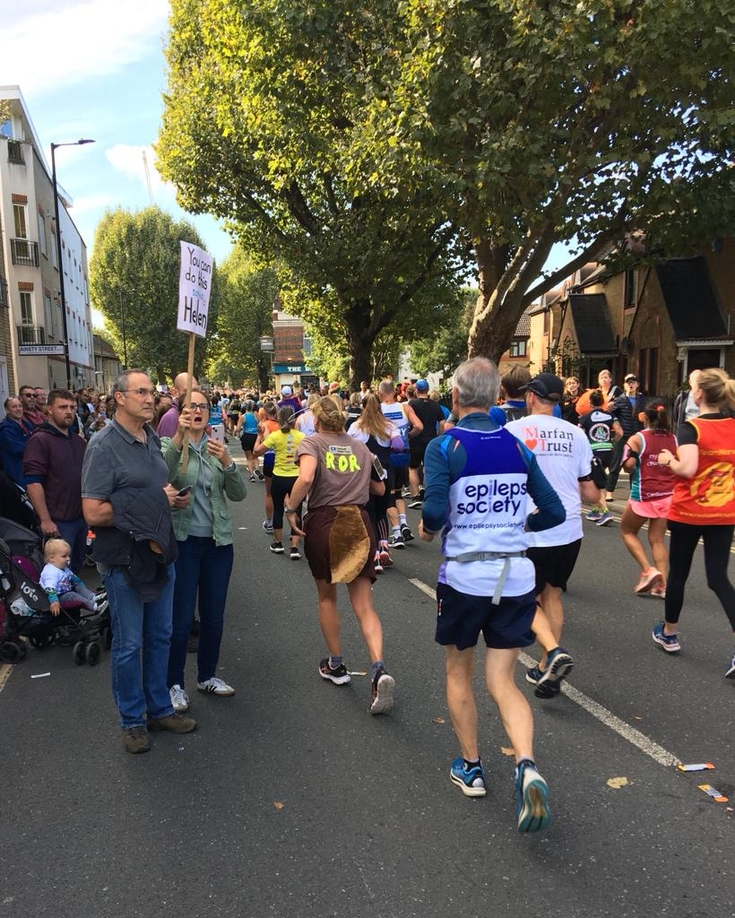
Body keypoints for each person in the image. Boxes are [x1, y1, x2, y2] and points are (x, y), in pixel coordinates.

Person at [419, 358, 565, 832]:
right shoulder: (518, 446)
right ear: (499, 396)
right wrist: (519, 525)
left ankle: (472, 767)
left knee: (458, 671)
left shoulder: (446, 446)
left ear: (456, 398)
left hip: (465, 579)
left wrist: (428, 525)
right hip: (516, 577)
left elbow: (437, 512)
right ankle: (526, 764)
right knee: (504, 681)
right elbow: (556, 510)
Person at [82, 369, 196, 754]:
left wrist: (171, 499)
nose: (150, 398)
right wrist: (152, 503)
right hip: (122, 559)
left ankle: (160, 708)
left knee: (160, 636)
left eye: (152, 392)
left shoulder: (150, 438)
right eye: (141, 392)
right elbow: (94, 512)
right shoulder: (102, 445)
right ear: (119, 398)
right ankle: (132, 721)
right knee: (129, 644)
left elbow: (153, 492)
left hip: (159, 553)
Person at [287, 396, 396, 714]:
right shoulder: (362, 448)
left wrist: (291, 508)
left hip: (325, 521)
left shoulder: (312, 444)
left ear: (316, 420)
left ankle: (336, 664)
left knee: (327, 597)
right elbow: (380, 489)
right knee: (364, 604)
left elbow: (306, 477)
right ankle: (378, 666)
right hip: (359, 523)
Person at [506, 372, 601, 697]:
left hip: (530, 528)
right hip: (569, 529)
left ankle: (553, 652)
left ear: (531, 396)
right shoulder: (577, 434)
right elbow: (591, 494)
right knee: (553, 594)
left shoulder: (513, 431)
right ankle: (547, 663)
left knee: (521, 597)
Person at [161, 389, 246, 713]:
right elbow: (164, 474)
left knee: (213, 617)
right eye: (190, 406)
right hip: (183, 542)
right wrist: (181, 436)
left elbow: (238, 494)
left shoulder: (216, 448)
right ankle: (174, 684)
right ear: (180, 412)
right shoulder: (169, 445)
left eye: (202, 406)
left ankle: (207, 675)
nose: (196, 410)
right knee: (180, 619)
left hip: (218, 542)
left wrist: (227, 462)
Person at [653, 368, 735, 678]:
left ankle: (669, 632)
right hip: (725, 512)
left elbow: (687, 468)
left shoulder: (691, 429)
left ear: (698, 395)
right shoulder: (733, 425)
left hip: (690, 512)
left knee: (679, 574)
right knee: (718, 578)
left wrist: (667, 460)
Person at [23, 389, 88, 573]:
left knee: (75, 571)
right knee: (57, 577)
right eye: (62, 407)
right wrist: (45, 520)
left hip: (80, 519)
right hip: (58, 523)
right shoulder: (40, 440)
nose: (68, 411)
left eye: (72, 407)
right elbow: (33, 482)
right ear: (49, 409)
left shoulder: (78, 441)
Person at [620, 401, 677, 597]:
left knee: (627, 531)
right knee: (658, 540)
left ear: (643, 416)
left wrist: (632, 457)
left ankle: (648, 569)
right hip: (667, 495)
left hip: (643, 495)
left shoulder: (638, 438)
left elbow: (627, 465)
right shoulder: (674, 439)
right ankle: (663, 586)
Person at [349, 393, 405, 573]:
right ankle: (384, 547)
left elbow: (349, 448)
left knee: (368, 512)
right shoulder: (389, 425)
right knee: (382, 510)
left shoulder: (356, 427)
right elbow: (399, 446)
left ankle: (373, 555)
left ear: (363, 407)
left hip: (364, 474)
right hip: (385, 474)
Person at [253, 406, 305, 557]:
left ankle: (278, 543)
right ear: (294, 420)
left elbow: (257, 451)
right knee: (297, 509)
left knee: (278, 509)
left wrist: (259, 436)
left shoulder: (275, 436)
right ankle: (294, 547)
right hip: (296, 478)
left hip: (279, 476)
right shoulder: (301, 436)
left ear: (279, 419)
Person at [378, 379, 423, 548]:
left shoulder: (378, 410)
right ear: (395, 392)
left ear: (380, 393)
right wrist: (407, 436)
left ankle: (397, 534)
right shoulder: (405, 407)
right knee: (398, 493)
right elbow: (419, 426)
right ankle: (404, 524)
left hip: (386, 456)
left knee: (387, 496)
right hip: (404, 455)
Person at [577, 389, 623, 526]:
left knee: (595, 483)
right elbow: (620, 432)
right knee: (598, 479)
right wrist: (612, 441)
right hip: (608, 451)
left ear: (589, 403)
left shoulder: (585, 418)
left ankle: (605, 512)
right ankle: (595, 510)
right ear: (603, 402)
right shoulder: (610, 416)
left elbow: (579, 436)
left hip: (594, 453)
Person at [39, 537, 106, 616]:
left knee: (78, 587)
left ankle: (93, 597)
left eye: (68, 556)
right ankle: (95, 607)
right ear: (52, 558)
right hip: (57, 596)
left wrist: (78, 583)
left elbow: (71, 576)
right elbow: (50, 589)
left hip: (66, 590)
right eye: (64, 556)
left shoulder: (62, 567)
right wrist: (54, 602)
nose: (68, 558)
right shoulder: (50, 572)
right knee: (72, 595)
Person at [606, 373, 647, 500]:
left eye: (633, 382)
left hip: (637, 436)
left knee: (634, 465)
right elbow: (610, 415)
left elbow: (650, 414)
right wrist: (616, 426)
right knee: (615, 464)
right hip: (623, 436)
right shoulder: (619, 400)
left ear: (637, 384)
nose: (631, 384)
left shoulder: (643, 401)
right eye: (628, 382)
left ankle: (632, 494)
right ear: (624, 385)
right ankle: (609, 493)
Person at [407, 379, 445, 508]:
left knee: (413, 468)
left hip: (416, 439)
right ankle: (426, 491)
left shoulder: (412, 404)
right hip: (431, 440)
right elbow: (442, 423)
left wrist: (410, 434)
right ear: (427, 390)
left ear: (416, 390)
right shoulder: (435, 405)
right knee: (427, 469)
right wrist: (438, 435)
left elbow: (408, 420)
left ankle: (415, 496)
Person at [0, 396, 33, 486]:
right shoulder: (5, 429)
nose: (18, 409)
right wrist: (35, 446)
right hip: (16, 472)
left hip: (31, 468)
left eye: (20, 406)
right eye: (14, 407)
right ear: (7, 410)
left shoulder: (28, 425)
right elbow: (17, 449)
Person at [157, 372, 199, 438]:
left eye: (196, 391)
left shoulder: (197, 413)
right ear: (175, 393)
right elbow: (168, 448)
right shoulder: (171, 418)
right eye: (187, 392)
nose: (193, 395)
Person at [235, 399, 261, 480]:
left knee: (249, 458)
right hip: (256, 436)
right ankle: (257, 470)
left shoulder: (243, 417)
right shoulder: (256, 416)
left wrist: (237, 430)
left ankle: (251, 475)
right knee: (255, 456)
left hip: (246, 436)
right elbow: (260, 425)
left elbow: (238, 428)